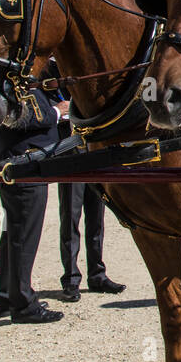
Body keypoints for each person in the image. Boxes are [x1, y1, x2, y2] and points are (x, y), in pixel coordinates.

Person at [47, 62, 125, 301]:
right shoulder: (46, 72)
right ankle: (71, 277)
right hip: (69, 152)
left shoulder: (85, 68)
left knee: (97, 215)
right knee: (70, 215)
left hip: (93, 150)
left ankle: (97, 274)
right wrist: (60, 110)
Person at [0, 88, 65, 323]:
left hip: (20, 165)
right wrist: (56, 112)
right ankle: (23, 305)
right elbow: (15, 117)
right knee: (23, 238)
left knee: (13, 235)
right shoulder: (8, 85)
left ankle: (7, 297)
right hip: (25, 166)